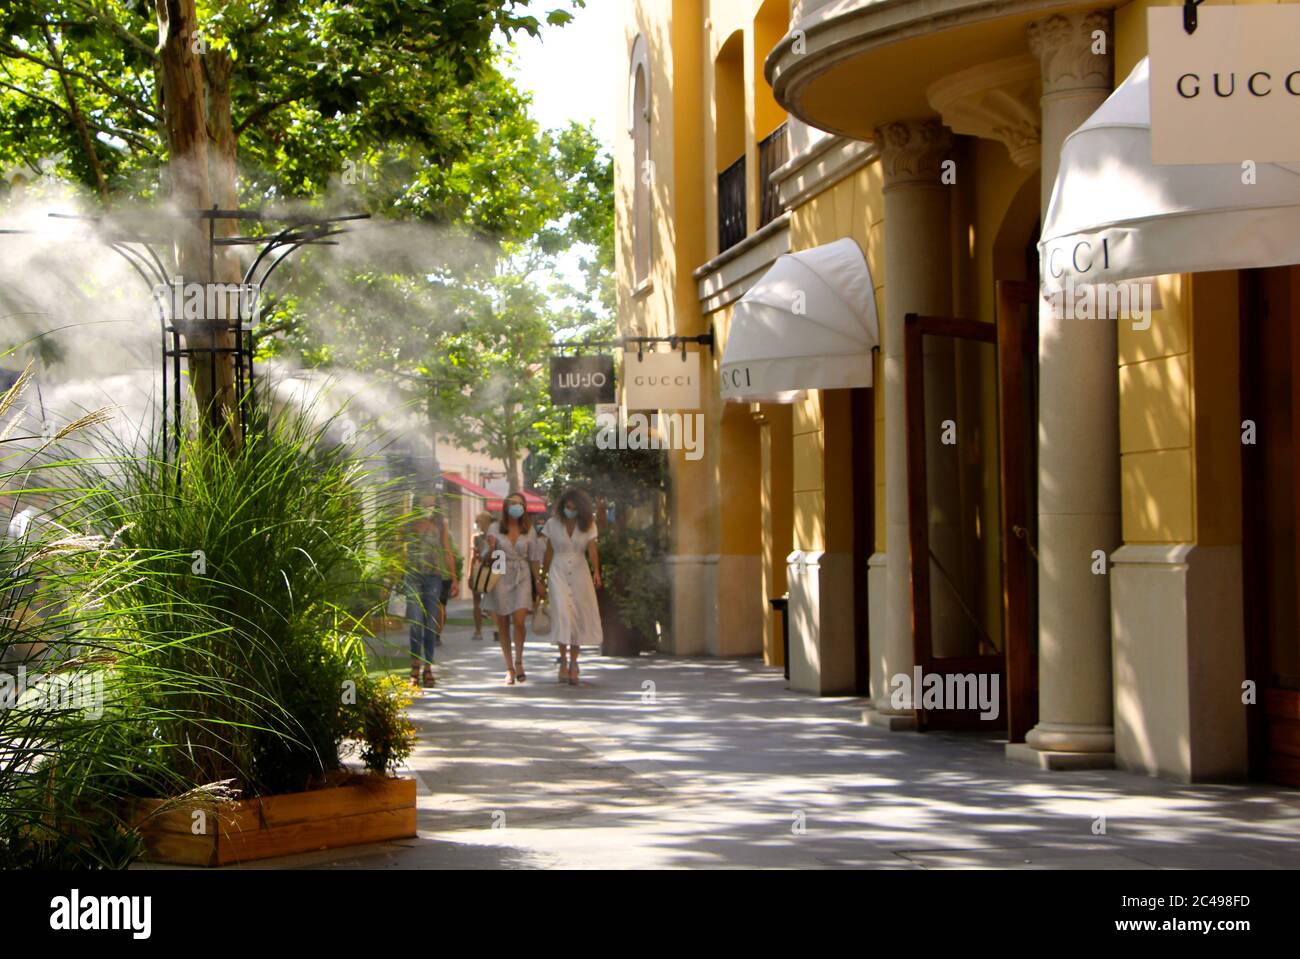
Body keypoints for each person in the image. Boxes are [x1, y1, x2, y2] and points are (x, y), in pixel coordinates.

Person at [541, 488, 603, 686]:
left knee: (577, 616)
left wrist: (597, 572)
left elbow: (592, 550)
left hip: (579, 570)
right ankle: (563, 660)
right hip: (558, 569)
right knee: (562, 614)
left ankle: (574, 662)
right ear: (562, 507)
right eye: (568, 507)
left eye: (574, 508)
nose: (571, 511)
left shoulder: (588, 526)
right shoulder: (552, 524)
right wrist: (542, 575)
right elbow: (549, 551)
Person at [484, 492, 544, 685]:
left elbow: (534, 558)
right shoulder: (495, 527)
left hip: (523, 573)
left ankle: (519, 661)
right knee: (502, 621)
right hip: (501, 570)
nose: (516, 508)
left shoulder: (529, 530)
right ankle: (509, 667)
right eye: (512, 504)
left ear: (524, 508)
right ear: (506, 507)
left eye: (520, 505)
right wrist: (492, 548)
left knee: (519, 620)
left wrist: (538, 581)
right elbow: (487, 556)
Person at [405, 494, 459, 687]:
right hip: (412, 576)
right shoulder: (409, 521)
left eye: (431, 498)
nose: (428, 501)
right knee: (415, 622)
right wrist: (392, 575)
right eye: (424, 496)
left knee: (429, 624)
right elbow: (398, 548)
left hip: (433, 577)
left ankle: (428, 668)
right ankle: (414, 668)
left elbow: (446, 550)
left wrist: (453, 577)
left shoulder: (440, 523)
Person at [468, 511, 493, 641]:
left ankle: (479, 631)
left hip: (483, 569)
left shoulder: (482, 537)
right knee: (480, 602)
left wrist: (470, 574)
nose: (478, 524)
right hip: (488, 569)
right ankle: (482, 630)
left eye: (478, 521)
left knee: (478, 602)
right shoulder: (485, 537)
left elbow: (474, 557)